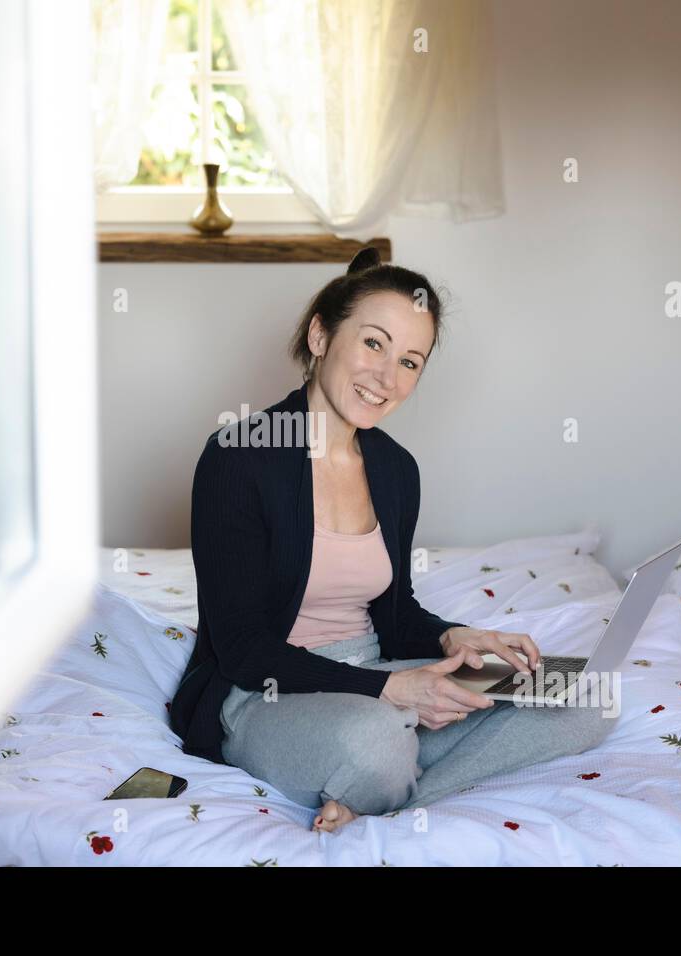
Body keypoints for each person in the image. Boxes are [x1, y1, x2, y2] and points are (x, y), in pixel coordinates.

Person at [168, 247, 613, 832]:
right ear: (321, 334)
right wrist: (393, 691)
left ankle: (379, 796)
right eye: (373, 343)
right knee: (377, 740)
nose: (386, 377)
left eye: (410, 361)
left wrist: (459, 635)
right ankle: (385, 771)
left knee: (583, 691)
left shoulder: (395, 467)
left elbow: (395, 614)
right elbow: (245, 648)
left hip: (383, 670)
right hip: (267, 694)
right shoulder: (239, 457)